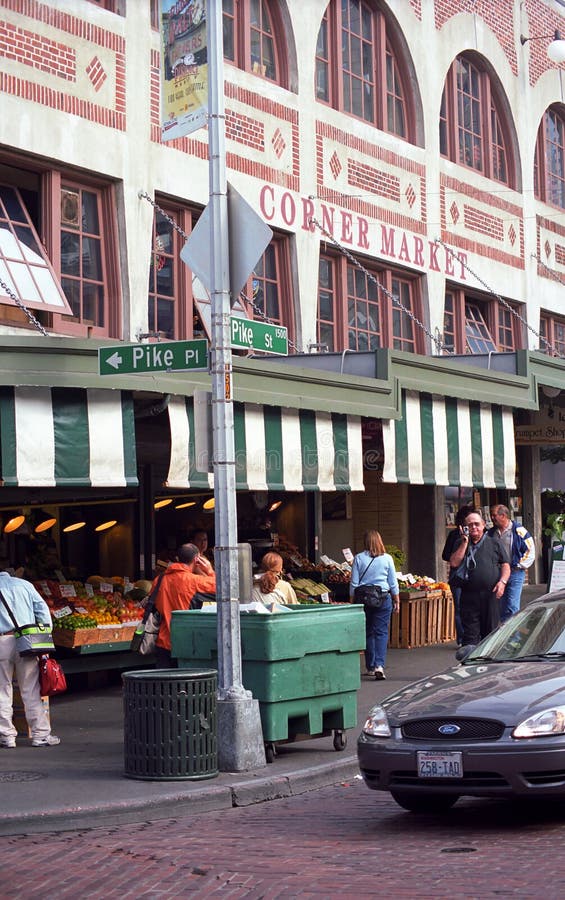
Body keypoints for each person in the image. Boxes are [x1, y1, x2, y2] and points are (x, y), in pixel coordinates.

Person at [0, 570, 60, 748]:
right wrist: (45, 637)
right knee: (31, 689)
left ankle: (6, 736)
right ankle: (40, 735)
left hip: (1, 641)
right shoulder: (25, 585)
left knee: (2, 690)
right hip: (26, 640)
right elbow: (43, 611)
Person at [450, 509, 510, 646]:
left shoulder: (495, 543)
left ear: (483, 525)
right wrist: (464, 543)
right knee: (470, 637)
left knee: (490, 635)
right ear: (464, 527)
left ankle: (488, 659)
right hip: (469, 596)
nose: (474, 527)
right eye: (470, 525)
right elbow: (454, 563)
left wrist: (502, 582)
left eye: (476, 524)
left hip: (491, 595)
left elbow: (506, 565)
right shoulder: (460, 543)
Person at [153, 543, 216, 668]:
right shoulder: (194, 581)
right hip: (187, 643)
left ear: (178, 558)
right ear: (197, 559)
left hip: (163, 642)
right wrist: (209, 570)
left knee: (163, 680)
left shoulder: (158, 580)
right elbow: (223, 589)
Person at [350, 530, 400, 680]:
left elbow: (354, 583)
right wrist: (396, 599)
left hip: (364, 599)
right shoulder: (387, 559)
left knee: (368, 632)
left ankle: (370, 666)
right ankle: (379, 665)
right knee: (381, 632)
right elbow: (393, 582)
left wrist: (352, 601)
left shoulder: (358, 558)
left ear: (365, 541)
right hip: (383, 598)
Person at [489, 504, 535, 624]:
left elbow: (530, 550)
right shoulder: (491, 533)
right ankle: (503, 630)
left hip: (515, 573)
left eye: (494, 515)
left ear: (503, 516)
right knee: (499, 605)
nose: (491, 518)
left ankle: (513, 634)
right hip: (498, 573)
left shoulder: (519, 531)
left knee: (512, 606)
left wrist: (519, 565)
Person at [442, 505, 475, 646]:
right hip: (459, 575)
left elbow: (445, 555)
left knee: (461, 607)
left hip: (461, 575)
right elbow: (446, 556)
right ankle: (463, 639)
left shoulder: (455, 534)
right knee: (462, 607)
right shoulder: (455, 535)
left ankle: (464, 639)